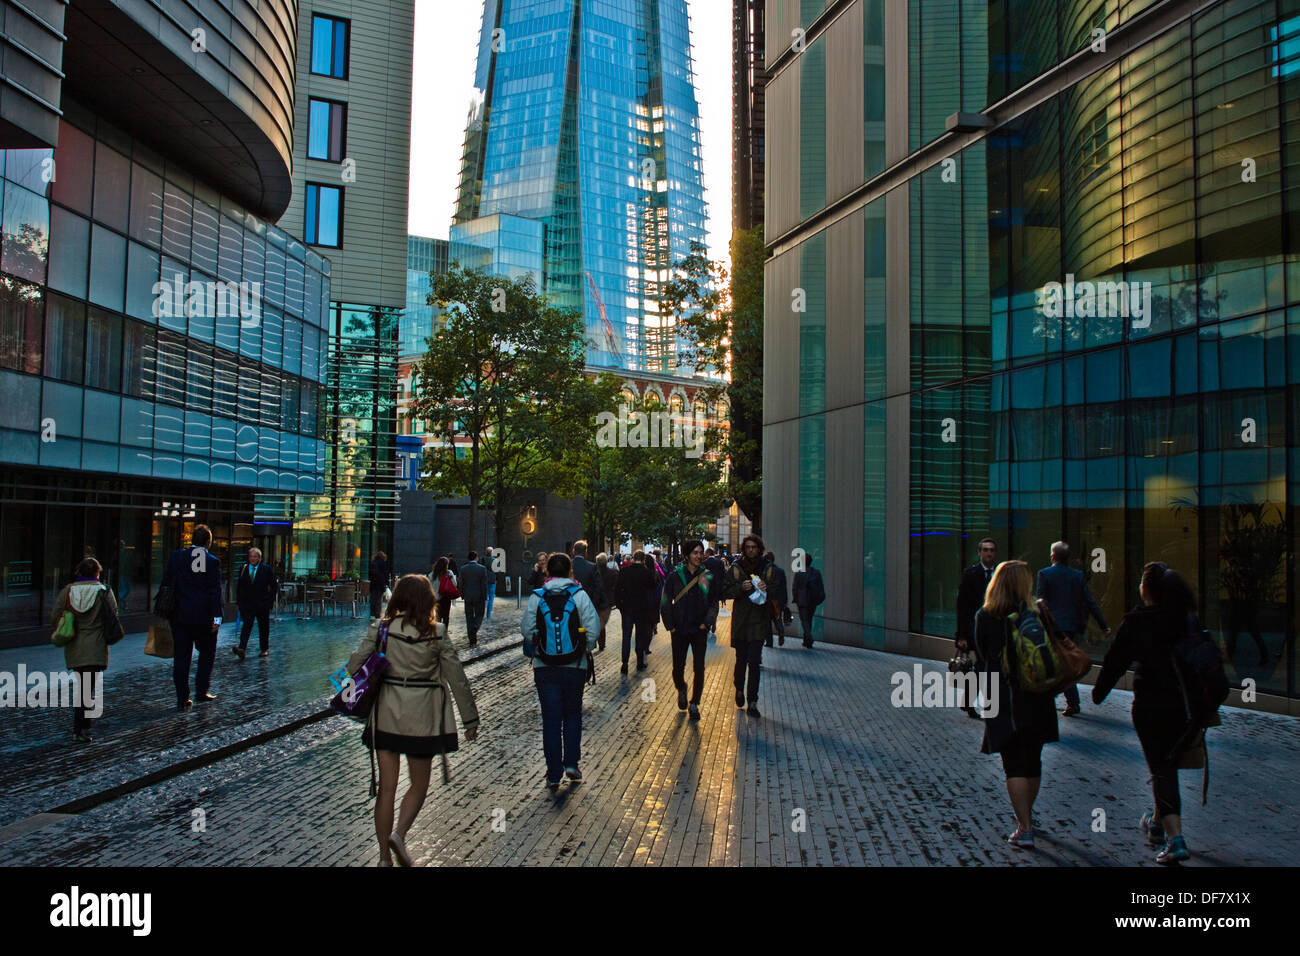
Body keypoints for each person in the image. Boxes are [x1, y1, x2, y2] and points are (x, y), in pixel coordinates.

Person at [349, 574, 479, 866]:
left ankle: (383, 858)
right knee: (419, 784)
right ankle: (400, 834)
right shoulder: (437, 633)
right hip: (423, 718)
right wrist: (470, 719)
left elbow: (353, 665)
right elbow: (456, 677)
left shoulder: (382, 628)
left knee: (386, 788)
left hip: (386, 715)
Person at [1092, 563, 1203, 865]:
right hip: (1184, 708)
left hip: (1151, 707)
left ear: (1146, 589)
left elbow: (1116, 660)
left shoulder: (1139, 622)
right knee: (1165, 765)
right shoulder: (1186, 621)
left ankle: (1175, 838)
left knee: (1161, 768)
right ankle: (1156, 823)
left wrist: (1099, 693)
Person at [972, 560, 1059, 850]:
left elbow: (983, 655)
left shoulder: (985, 616)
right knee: (1033, 759)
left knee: (1013, 764)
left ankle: (1024, 827)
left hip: (1002, 695)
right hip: (1038, 694)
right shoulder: (1038, 613)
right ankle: (1028, 817)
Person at [522, 552, 601, 790]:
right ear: (570, 572)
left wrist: (540, 645)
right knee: (572, 715)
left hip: (545, 668)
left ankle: (553, 772)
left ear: (547, 572)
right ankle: (571, 764)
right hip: (574, 667)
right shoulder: (580, 595)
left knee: (551, 719)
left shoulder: (537, 597)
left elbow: (526, 628)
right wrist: (583, 648)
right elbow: (593, 628)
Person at [1036, 541, 1110, 717]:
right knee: (1067, 662)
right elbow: (1090, 601)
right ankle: (1070, 701)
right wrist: (1103, 625)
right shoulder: (1077, 575)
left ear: (1052, 555)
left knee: (1057, 664)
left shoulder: (1044, 574)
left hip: (1052, 626)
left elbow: (1040, 602)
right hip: (1072, 627)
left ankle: (1061, 700)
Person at [52, 557, 118, 742]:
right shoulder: (104, 592)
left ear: (79, 572)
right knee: (87, 688)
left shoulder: (69, 591)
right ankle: (81, 728)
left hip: (76, 646)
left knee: (83, 686)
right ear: (98, 573)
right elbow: (114, 614)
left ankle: (82, 727)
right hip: (96, 646)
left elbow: (55, 614)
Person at [161, 524, 224, 712]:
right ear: (208, 542)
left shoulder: (177, 557)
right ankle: (201, 691)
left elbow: (167, 584)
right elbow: (215, 592)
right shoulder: (211, 561)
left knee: (181, 657)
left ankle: (182, 697)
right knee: (206, 654)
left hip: (180, 615)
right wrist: (217, 618)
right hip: (203, 617)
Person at [719, 534, 777, 717]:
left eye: (754, 547)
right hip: (741, 622)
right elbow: (725, 591)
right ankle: (738, 689)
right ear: (744, 549)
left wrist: (766, 587)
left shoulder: (767, 568)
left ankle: (753, 700)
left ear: (759, 549)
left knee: (754, 661)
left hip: (759, 622)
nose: (751, 550)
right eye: (748, 547)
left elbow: (777, 590)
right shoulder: (736, 568)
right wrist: (740, 589)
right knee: (741, 659)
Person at [661, 539, 712, 720]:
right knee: (677, 667)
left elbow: (712, 602)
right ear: (687, 555)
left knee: (699, 667)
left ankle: (694, 703)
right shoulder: (676, 576)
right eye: (695, 553)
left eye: (701, 552)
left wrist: (706, 623)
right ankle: (681, 688)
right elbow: (665, 601)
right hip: (680, 629)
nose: (699, 556)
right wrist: (671, 626)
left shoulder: (706, 576)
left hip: (699, 629)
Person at [955, 537, 998, 718]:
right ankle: (981, 704)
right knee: (980, 668)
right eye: (986, 550)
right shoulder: (970, 574)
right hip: (974, 630)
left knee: (988, 668)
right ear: (979, 553)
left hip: (993, 630)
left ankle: (976, 703)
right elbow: (962, 606)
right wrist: (961, 636)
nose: (989, 553)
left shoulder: (999, 574)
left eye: (992, 550)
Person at [614, 549, 656, 674]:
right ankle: (639, 662)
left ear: (633, 558)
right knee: (640, 635)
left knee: (626, 636)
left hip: (627, 608)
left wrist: (620, 605)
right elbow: (652, 588)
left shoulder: (624, 571)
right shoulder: (647, 572)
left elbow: (617, 589)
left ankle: (625, 663)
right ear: (643, 560)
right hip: (641, 609)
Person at [234, 547, 277, 660]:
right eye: (251, 556)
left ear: (259, 558)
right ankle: (242, 648)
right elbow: (240, 587)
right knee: (246, 626)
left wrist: (269, 601)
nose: (252, 559)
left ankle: (264, 648)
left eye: (255, 557)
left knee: (263, 627)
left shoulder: (266, 569)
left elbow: (274, 586)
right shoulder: (244, 568)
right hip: (247, 604)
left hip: (262, 604)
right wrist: (239, 602)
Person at [570, 541, 607, 651]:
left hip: (569, 604)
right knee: (585, 630)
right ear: (585, 552)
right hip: (587, 604)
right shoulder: (592, 567)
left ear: (573, 551)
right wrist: (593, 603)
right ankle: (585, 648)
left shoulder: (568, 566)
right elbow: (598, 587)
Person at [458, 551, 488, 647]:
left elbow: (461, 583)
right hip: (479, 596)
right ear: (476, 558)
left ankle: (472, 640)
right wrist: (484, 596)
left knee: (469, 617)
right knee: (480, 614)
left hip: (467, 596)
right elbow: (483, 584)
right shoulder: (482, 569)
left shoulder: (463, 569)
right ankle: (475, 627)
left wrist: (462, 594)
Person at [764, 551, 789, 648]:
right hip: (777, 600)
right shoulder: (780, 571)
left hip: (767, 600)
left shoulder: (765, 571)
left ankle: (769, 642)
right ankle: (780, 630)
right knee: (777, 617)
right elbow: (783, 587)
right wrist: (784, 601)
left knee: (767, 622)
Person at [703, 548, 726, 640]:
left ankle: (708, 624)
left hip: (707, 589)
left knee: (707, 607)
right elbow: (723, 576)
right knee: (715, 606)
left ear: (708, 553)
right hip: (717, 589)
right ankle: (714, 621)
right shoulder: (720, 563)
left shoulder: (704, 563)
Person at [643, 551, 664, 653]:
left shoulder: (643, 572)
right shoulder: (656, 572)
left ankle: (642, 647)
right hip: (653, 603)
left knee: (643, 626)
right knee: (650, 626)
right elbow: (660, 585)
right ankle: (646, 646)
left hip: (643, 603)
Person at [597, 552, 619, 652]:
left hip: (596, 599)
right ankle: (602, 642)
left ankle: (598, 641)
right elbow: (615, 586)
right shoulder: (612, 573)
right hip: (607, 600)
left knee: (596, 620)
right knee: (602, 621)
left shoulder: (595, 572)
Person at [429, 557, 459, 627]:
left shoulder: (432, 574)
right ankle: (444, 632)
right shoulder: (449, 573)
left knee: (437, 616)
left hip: (436, 598)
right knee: (446, 617)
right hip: (446, 597)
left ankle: (438, 631)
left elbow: (429, 585)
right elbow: (455, 584)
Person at [368, 550, 391, 619]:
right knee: (378, 599)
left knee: (373, 599)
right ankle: (377, 614)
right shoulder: (382, 563)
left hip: (373, 584)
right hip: (380, 584)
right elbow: (385, 574)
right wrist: (387, 583)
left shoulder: (373, 563)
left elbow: (370, 574)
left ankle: (372, 613)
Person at [484, 547, 497, 620]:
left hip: (484, 580)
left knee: (484, 597)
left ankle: (482, 612)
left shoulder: (482, 559)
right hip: (492, 580)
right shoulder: (494, 560)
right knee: (491, 597)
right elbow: (496, 571)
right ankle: (488, 614)